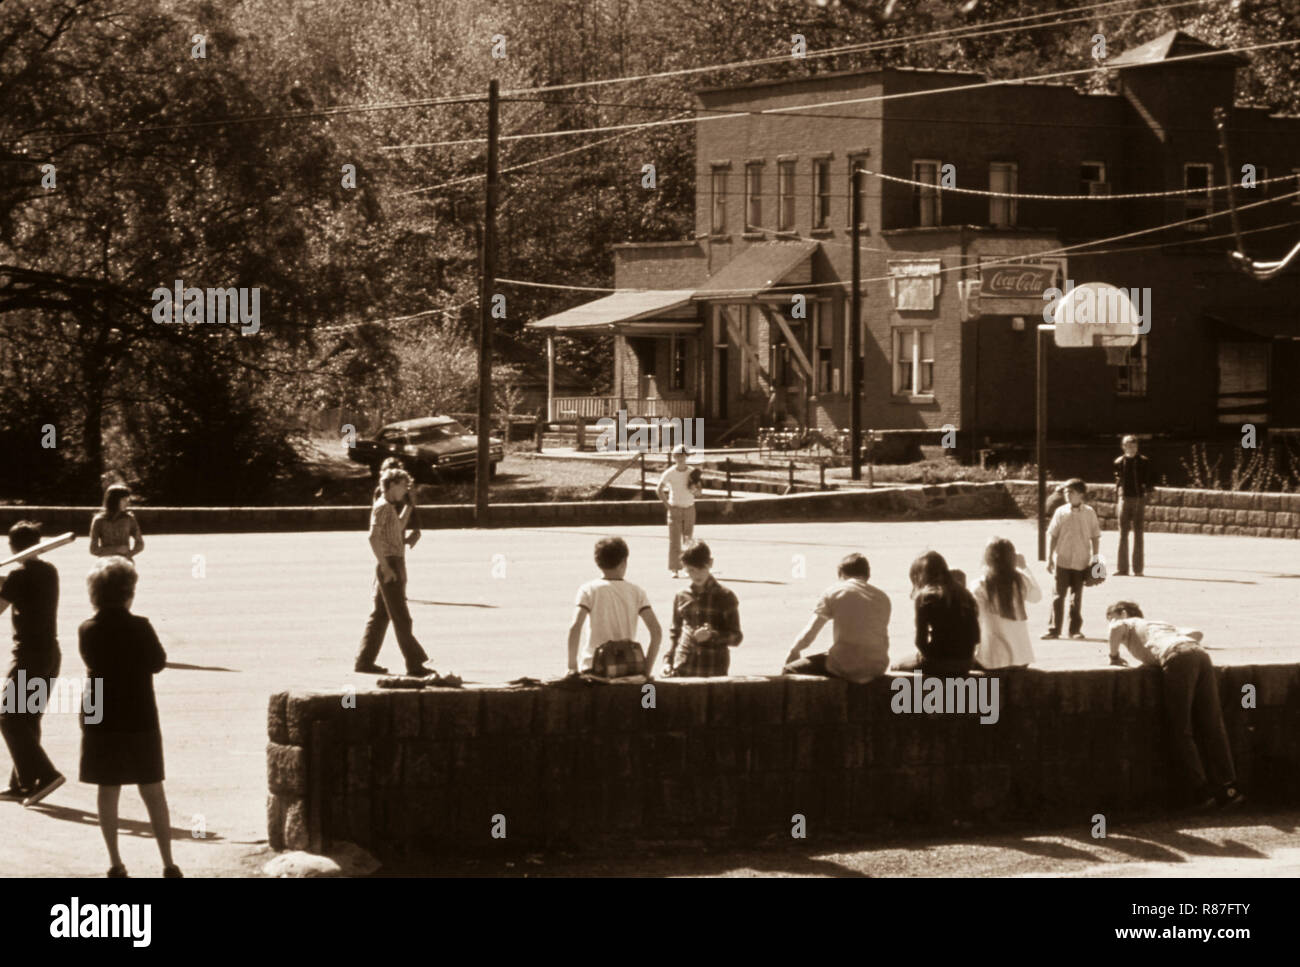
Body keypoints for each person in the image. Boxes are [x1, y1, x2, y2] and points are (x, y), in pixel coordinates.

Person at [79, 556, 181, 877]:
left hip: (101, 714)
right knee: (152, 789)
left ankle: (115, 862)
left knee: (107, 789)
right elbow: (157, 662)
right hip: (139, 714)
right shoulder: (140, 626)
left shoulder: (87, 629)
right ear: (128, 592)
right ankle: (167, 862)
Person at [1105, 600, 1246, 810]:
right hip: (1199, 654)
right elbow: (1197, 633)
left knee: (1180, 728)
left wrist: (1114, 656)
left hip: (1176, 658)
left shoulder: (1130, 622)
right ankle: (1229, 788)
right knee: (1212, 723)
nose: (1110, 625)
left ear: (1123, 613)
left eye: (1111, 617)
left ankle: (1201, 791)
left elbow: (1116, 628)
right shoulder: (1158, 624)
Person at [0, 521, 66, 805]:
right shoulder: (49, 571)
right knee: (26, 718)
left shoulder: (18, 575)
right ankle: (24, 782)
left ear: (13, 546)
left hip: (29, 655)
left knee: (8, 717)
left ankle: (47, 775)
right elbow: (18, 588)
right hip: (49, 654)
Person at [355, 467, 434, 677]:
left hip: (394, 561)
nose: (405, 489)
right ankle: (415, 664)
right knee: (402, 617)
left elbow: (397, 527)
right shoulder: (382, 507)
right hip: (390, 564)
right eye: (403, 486)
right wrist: (386, 567)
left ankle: (364, 661)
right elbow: (372, 537)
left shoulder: (389, 507)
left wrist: (409, 506)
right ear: (391, 485)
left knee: (380, 615)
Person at [783, 553, 891, 683]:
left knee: (790, 670)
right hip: (877, 666)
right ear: (868, 575)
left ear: (841, 574)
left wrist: (794, 650)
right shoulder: (883, 597)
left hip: (844, 665)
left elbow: (809, 635)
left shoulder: (834, 592)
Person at [566, 537, 662, 678]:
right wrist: (646, 670)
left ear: (597, 562)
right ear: (624, 562)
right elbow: (656, 632)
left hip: (593, 668)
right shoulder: (637, 592)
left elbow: (575, 626)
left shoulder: (588, 589)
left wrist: (572, 667)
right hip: (627, 668)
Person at [894, 550, 980, 676]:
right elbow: (976, 637)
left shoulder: (925, 596)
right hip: (965, 663)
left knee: (896, 665)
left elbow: (920, 642)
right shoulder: (965, 594)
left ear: (921, 575)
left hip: (938, 663)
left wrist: (932, 657)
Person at [665, 541, 742, 677]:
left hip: (712, 669)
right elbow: (675, 633)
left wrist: (712, 636)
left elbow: (736, 637)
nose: (697, 575)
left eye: (701, 569)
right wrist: (668, 661)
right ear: (684, 567)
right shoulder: (681, 596)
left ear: (710, 563)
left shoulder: (725, 596)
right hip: (683, 667)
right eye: (691, 570)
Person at [1042, 478, 1101, 640]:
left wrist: (1095, 560)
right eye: (1066, 492)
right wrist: (1049, 558)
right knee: (1057, 596)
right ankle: (1053, 629)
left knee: (1076, 597)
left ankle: (1074, 630)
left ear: (1081, 494)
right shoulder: (1060, 512)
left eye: (1071, 492)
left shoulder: (1089, 513)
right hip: (1062, 559)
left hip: (1082, 561)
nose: (1067, 495)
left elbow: (1095, 536)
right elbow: (1053, 535)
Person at [973, 538, 1042, 669]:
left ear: (987, 559)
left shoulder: (980, 586)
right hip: (1021, 655)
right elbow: (1037, 596)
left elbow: (976, 620)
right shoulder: (1020, 581)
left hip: (993, 657)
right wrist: (1024, 567)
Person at [656, 445, 697, 578]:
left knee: (688, 540)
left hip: (689, 507)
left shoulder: (692, 472)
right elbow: (659, 489)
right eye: (677, 456)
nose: (680, 458)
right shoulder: (669, 472)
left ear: (687, 457)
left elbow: (699, 491)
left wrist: (695, 488)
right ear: (674, 457)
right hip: (675, 508)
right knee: (674, 541)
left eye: (682, 456)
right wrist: (668, 506)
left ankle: (688, 567)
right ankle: (675, 568)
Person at [1113, 435, 1151, 576]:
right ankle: (1122, 568)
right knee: (1122, 534)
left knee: (1138, 533)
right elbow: (1117, 481)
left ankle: (1138, 569)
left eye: (1133, 445)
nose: (1131, 448)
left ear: (1137, 447)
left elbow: (1149, 480)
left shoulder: (1143, 461)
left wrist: (1146, 492)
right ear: (1123, 447)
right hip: (1123, 498)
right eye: (1128, 445)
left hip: (1138, 499)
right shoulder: (1119, 462)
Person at [375, 457, 421, 550]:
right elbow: (376, 517)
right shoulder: (380, 492)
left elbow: (412, 507)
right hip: (385, 534)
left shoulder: (403, 490)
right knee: (388, 561)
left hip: (399, 532)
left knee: (397, 560)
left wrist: (416, 530)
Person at [89, 484, 144, 559]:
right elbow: (93, 549)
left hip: (125, 562)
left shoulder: (129, 519)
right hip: (105, 563)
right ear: (114, 500)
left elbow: (140, 543)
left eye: (127, 500)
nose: (127, 503)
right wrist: (117, 549)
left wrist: (129, 554)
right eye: (124, 500)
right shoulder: (99, 520)